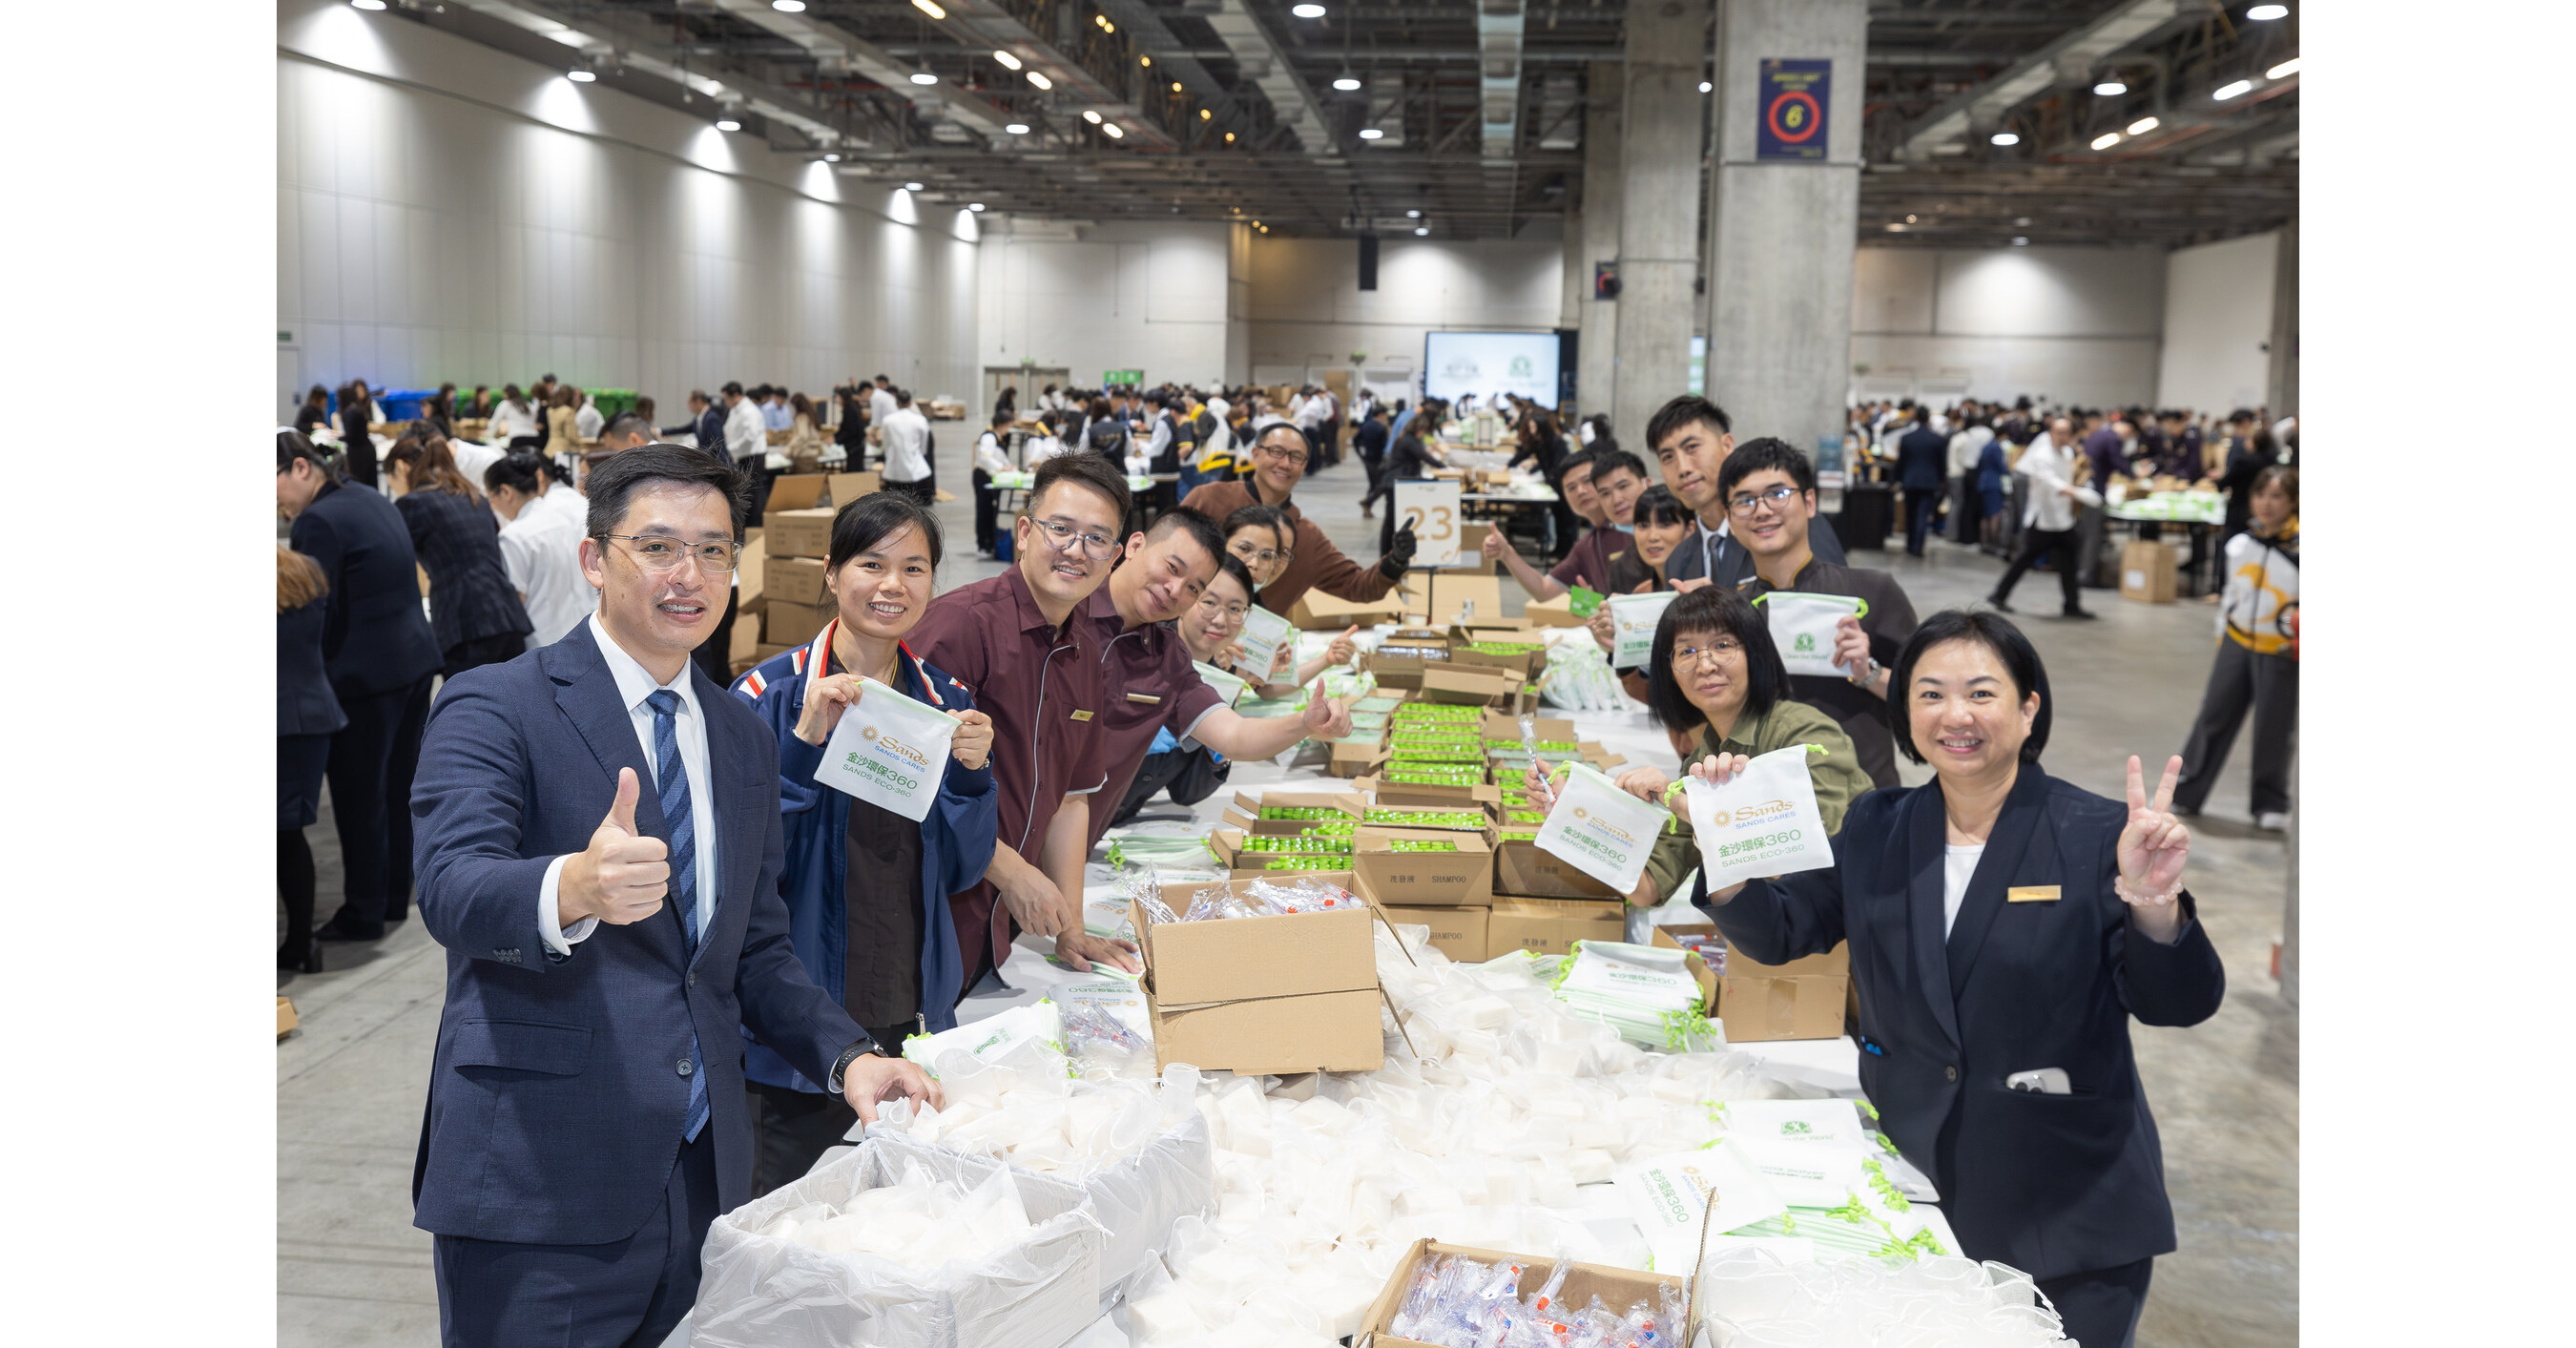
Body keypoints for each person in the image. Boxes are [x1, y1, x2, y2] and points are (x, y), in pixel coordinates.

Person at [407, 446, 938, 1345]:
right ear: (593, 560)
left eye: (714, 550)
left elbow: (756, 948)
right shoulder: (495, 702)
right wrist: (569, 884)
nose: (688, 575)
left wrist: (849, 1058)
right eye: (657, 546)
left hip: (704, 1181)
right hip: (543, 1177)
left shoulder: (739, 731)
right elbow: (450, 886)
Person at [1688, 611, 2223, 1348]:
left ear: (2029, 707)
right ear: (1905, 709)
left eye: (1981, 692)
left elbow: (2179, 1003)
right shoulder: (1881, 824)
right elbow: (1788, 928)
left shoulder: (2098, 834)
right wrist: (1726, 843)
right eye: (1931, 693)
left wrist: (2154, 901)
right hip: (1913, 1181)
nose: (1956, 715)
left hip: (2066, 1204)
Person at [728, 492, 998, 1192]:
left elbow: (964, 869)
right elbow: (738, 867)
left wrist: (972, 776)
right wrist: (802, 743)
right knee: (771, 1225)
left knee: (896, 1226)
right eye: (871, 563)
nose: (892, 585)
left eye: (914, 567)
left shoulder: (941, 702)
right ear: (830, 571)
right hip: (792, 1037)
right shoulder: (766, 696)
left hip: (909, 1014)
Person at [908, 454, 1134, 985]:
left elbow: (1073, 799)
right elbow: (903, 774)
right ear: (1026, 531)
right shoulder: (960, 626)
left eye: (1097, 539)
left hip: (1001, 929)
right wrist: (1014, 873)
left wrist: (1071, 926)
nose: (1077, 551)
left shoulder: (1085, 646)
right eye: (1062, 529)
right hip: (928, 914)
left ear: (1115, 556)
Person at [1537, 587, 1869, 910]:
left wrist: (1696, 812)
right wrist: (1572, 816)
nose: (1705, 665)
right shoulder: (1701, 759)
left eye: (1722, 645)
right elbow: (1646, 886)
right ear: (1669, 671)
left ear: (1755, 652)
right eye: (1687, 651)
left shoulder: (1805, 734)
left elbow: (1810, 865)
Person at [1077, 508, 1356, 880]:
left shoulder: (1171, 662)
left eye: (1194, 588)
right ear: (1134, 546)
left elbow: (1234, 736)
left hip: (1086, 838)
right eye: (1206, 599)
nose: (1177, 591)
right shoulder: (1071, 612)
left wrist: (1306, 721)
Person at [278, 431, 442, 943]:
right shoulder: (368, 497)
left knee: (359, 797)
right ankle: (395, 894)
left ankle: (364, 911)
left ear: (301, 468)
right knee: (396, 789)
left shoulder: (317, 521)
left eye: (273, 487)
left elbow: (314, 609)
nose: (275, 505)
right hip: (411, 664)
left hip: (365, 678)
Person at [1722, 438, 1921, 791]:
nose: (1762, 510)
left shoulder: (1872, 592)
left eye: (1778, 494)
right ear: (1730, 519)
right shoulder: (1729, 611)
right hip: (1769, 806)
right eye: (1745, 501)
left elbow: (1923, 698)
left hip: (1864, 799)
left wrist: (1868, 671)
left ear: (1810, 502)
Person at [2171, 467, 2297, 829]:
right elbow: (2231, 595)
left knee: (2274, 727)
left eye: (2276, 496)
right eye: (2261, 495)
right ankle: (2186, 792)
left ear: (2292, 501)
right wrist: (2220, 633)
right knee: (2213, 716)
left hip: (2280, 650)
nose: (2266, 504)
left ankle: (2270, 803)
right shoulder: (2240, 545)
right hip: (2236, 640)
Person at [1184, 422, 1415, 616]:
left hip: (1254, 656)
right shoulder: (1208, 500)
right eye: (1276, 452)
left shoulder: (1306, 538)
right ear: (1255, 454)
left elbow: (1360, 586)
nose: (1285, 464)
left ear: (1304, 466)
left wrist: (1396, 561)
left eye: (1296, 457)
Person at [1110, 553, 1262, 827]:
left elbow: (1187, 791)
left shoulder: (1220, 680)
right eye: (1209, 602)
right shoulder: (1135, 651)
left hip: (1119, 824)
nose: (1220, 620)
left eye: (1236, 609)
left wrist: (1220, 752)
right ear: (1188, 598)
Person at [1648, 396, 1846, 590]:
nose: (1683, 468)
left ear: (1726, 445)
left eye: (1691, 447)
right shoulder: (1678, 561)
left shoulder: (1788, 525)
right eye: (1667, 457)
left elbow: (1833, 603)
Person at [384, 438, 535, 680]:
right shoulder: (476, 498)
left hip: (463, 624)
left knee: (469, 712)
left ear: (401, 468)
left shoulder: (412, 504)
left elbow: (392, 563)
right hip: (507, 616)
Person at [279, 544, 345, 976]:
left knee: (282, 837)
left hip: (281, 722)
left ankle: (300, 942)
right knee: (287, 834)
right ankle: (302, 940)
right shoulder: (304, 568)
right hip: (310, 715)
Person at [1490, 448, 1648, 602]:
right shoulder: (1586, 546)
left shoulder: (1642, 528)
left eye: (1587, 481)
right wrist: (1507, 553)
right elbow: (1544, 591)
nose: (1580, 491)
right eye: (1571, 488)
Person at [1987, 416, 2103, 620]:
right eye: (2057, 432)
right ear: (2051, 433)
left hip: (2063, 519)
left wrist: (2081, 487)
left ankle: (2072, 605)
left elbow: (2069, 476)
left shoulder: (2066, 452)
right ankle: (1998, 595)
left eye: (2065, 433)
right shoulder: (2042, 455)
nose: (2060, 437)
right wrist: (2078, 493)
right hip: (2043, 520)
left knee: (2069, 563)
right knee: (2024, 559)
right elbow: (2052, 482)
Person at [1582, 486, 1697, 687]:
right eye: (1643, 525)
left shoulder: (1698, 593)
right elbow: (1640, 685)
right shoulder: (1640, 593)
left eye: (1666, 524)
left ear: (1690, 529)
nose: (1652, 536)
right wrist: (1614, 647)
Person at [486, 452, 597, 650]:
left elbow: (516, 601)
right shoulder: (565, 520)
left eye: (491, 498)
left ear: (506, 492)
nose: (493, 506)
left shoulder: (514, 535)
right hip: (584, 630)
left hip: (543, 641)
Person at [1896, 408, 1947, 557]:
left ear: (1916, 419)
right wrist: (1941, 480)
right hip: (1929, 482)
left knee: (1910, 514)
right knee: (1922, 515)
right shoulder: (1937, 439)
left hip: (1910, 481)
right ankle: (1918, 546)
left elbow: (1901, 462)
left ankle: (1910, 543)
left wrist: (1898, 479)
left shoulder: (1907, 438)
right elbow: (1941, 464)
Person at [971, 410, 1015, 558]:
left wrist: (1007, 466)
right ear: (1002, 424)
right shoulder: (989, 437)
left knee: (991, 511)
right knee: (984, 510)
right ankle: (983, 544)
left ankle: (990, 542)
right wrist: (1002, 467)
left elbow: (999, 456)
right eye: (1007, 426)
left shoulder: (996, 437)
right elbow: (985, 458)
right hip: (983, 476)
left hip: (991, 476)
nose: (1007, 430)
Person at [880, 388, 933, 506]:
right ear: (910, 402)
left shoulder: (888, 421)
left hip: (894, 467)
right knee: (914, 505)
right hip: (916, 469)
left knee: (895, 505)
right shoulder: (920, 420)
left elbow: (887, 444)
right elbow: (924, 446)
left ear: (897, 402)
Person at [1948, 416, 1993, 548]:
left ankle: (1958, 535)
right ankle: (1964, 536)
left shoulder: (1963, 436)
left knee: (1961, 505)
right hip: (1967, 472)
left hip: (1963, 472)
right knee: (1965, 506)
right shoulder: (1976, 436)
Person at [337, 380, 383, 487]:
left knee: (362, 486)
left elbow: (351, 437)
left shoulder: (350, 412)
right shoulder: (356, 409)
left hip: (360, 455)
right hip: (366, 451)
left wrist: (337, 438)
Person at [1352, 404, 1391, 511]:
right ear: (1381, 415)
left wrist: (1360, 454)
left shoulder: (1365, 426)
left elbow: (1355, 440)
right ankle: (1367, 503)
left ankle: (1367, 505)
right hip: (1379, 460)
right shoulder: (1382, 428)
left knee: (1373, 484)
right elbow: (1385, 446)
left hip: (1367, 459)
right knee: (1380, 484)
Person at [784, 393, 827, 474]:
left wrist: (789, 448)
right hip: (813, 453)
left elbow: (803, 435)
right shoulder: (812, 415)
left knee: (803, 483)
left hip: (803, 455)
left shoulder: (801, 417)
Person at [490, 384, 541, 449]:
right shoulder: (527, 404)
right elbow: (535, 416)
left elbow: (495, 421)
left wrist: (489, 435)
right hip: (534, 437)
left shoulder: (506, 404)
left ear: (507, 394)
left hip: (518, 438)